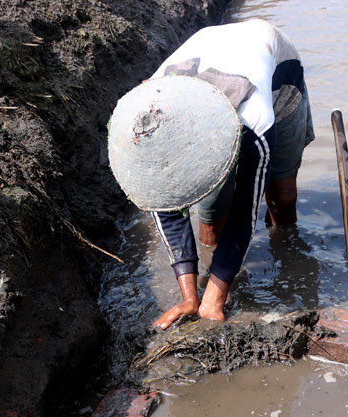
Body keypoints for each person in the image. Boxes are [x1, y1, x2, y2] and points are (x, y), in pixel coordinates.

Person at [107, 19, 314, 330]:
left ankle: (287, 247)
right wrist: (190, 298)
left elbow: (245, 211)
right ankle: (212, 278)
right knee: (211, 223)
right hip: (207, 50)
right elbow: (166, 207)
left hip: (274, 67)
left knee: (280, 194)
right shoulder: (146, 114)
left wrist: (215, 300)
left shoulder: (256, 118)